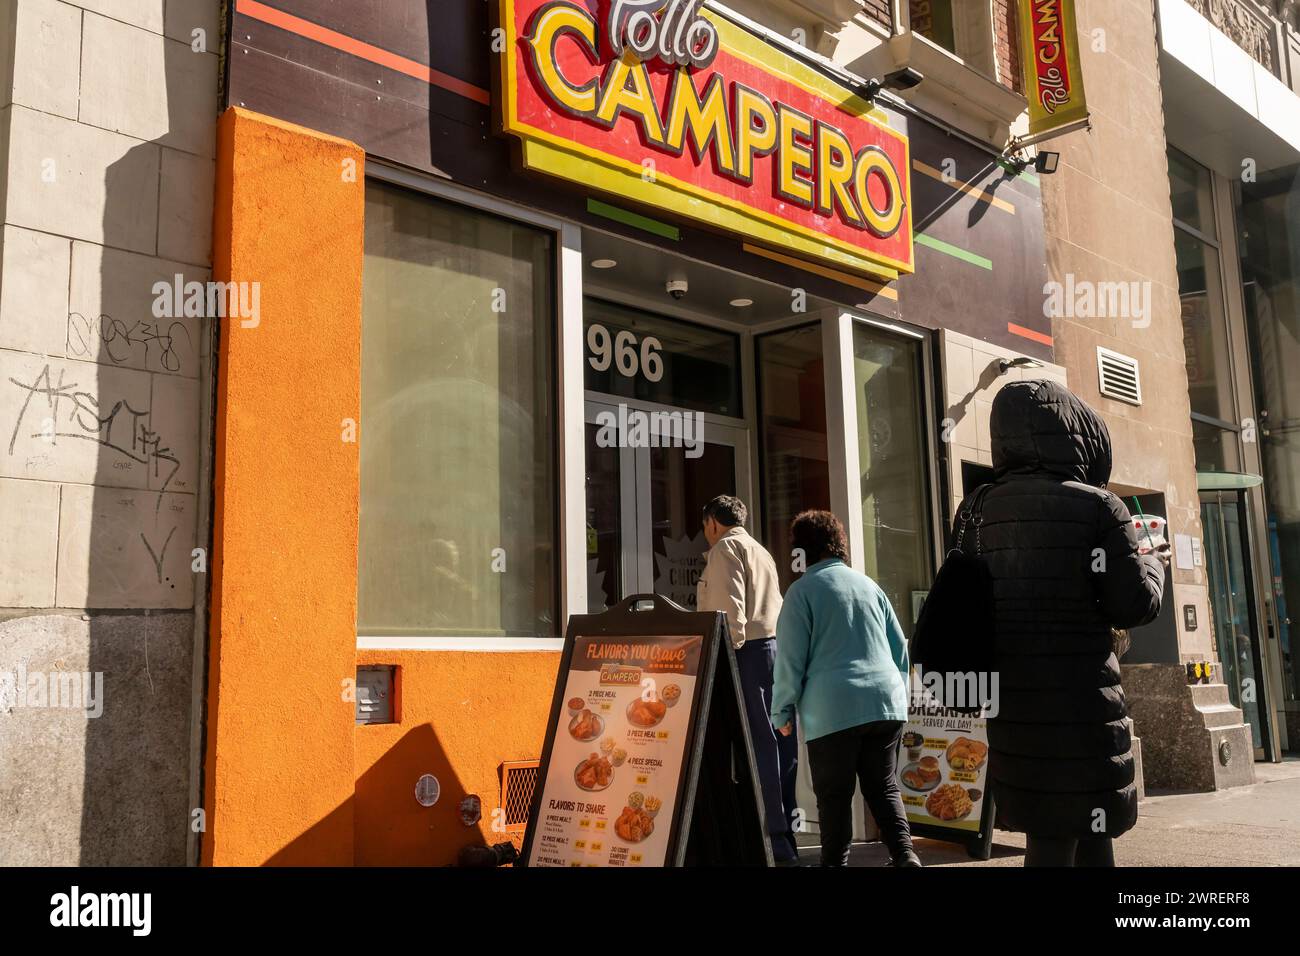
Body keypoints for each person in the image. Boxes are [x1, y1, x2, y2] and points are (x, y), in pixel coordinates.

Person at [968, 379, 1167, 867]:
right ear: (1075, 432)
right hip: (1084, 703)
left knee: (1054, 829)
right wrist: (1153, 564)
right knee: (1081, 828)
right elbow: (1133, 604)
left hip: (1014, 705)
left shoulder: (975, 510)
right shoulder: (1098, 506)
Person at [770, 510, 919, 868]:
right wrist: (896, 695)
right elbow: (899, 648)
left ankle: (834, 864)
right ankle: (905, 855)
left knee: (834, 797)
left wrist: (782, 710)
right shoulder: (869, 585)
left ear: (803, 551)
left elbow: (790, 659)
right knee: (883, 787)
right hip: (885, 704)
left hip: (832, 708)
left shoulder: (801, 592)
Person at [696, 495, 796, 863]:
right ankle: (784, 839)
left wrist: (719, 662)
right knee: (778, 744)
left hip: (746, 655)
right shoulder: (760, 549)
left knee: (759, 746)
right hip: (772, 651)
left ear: (711, 522)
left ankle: (770, 840)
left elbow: (729, 616)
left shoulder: (725, 549)